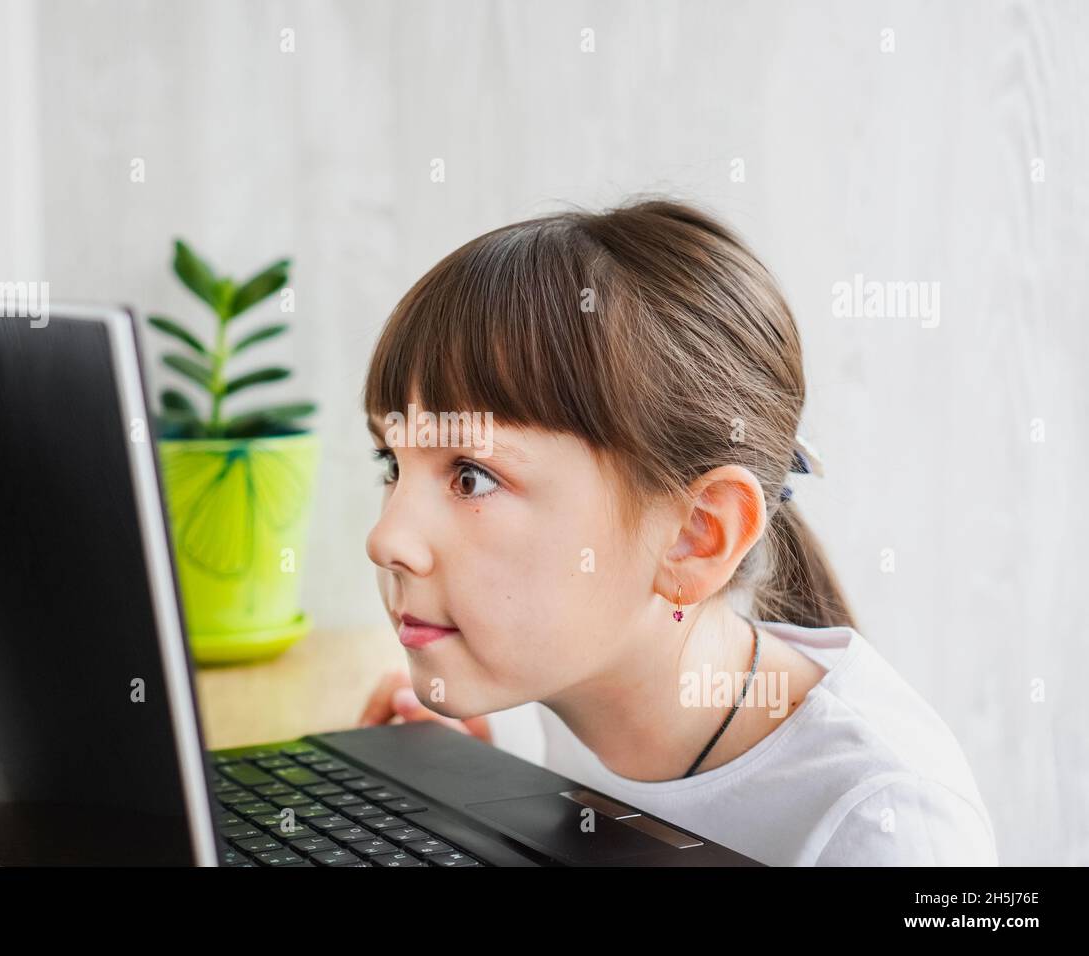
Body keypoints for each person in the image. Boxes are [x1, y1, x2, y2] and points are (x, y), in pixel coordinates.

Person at [355, 196, 997, 866]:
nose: (386, 538)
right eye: (390, 463)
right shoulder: (562, 684)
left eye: (471, 477)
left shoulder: (887, 828)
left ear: (696, 536)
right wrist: (481, 799)